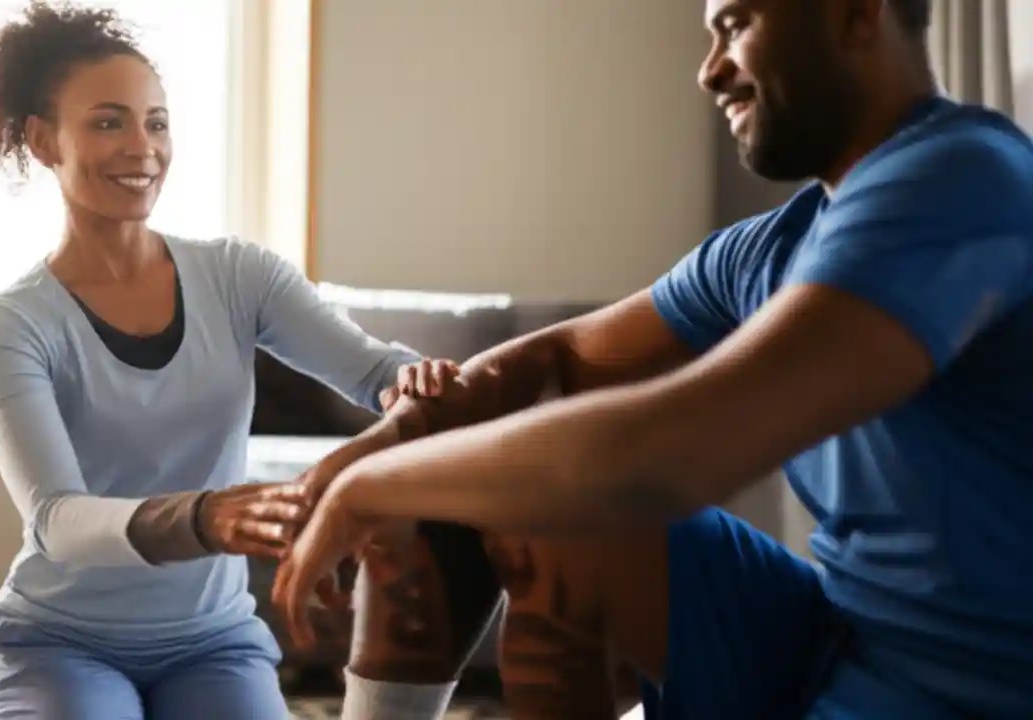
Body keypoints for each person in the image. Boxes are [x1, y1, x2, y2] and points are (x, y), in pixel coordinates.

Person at [275, 0, 1033, 717]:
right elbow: (556, 360)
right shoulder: (777, 245)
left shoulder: (963, 180)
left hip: (970, 689)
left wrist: (368, 487)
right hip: (831, 636)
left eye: (735, 24)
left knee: (562, 481)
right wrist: (345, 468)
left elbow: (661, 458)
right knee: (475, 465)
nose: (709, 70)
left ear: (855, 11)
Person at [0, 3, 452, 718]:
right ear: (43, 141)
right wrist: (204, 518)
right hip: (60, 641)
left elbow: (378, 374)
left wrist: (418, 380)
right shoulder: (14, 322)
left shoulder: (239, 277)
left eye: (156, 121)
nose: (143, 147)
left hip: (214, 642)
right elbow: (57, 520)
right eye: (108, 122)